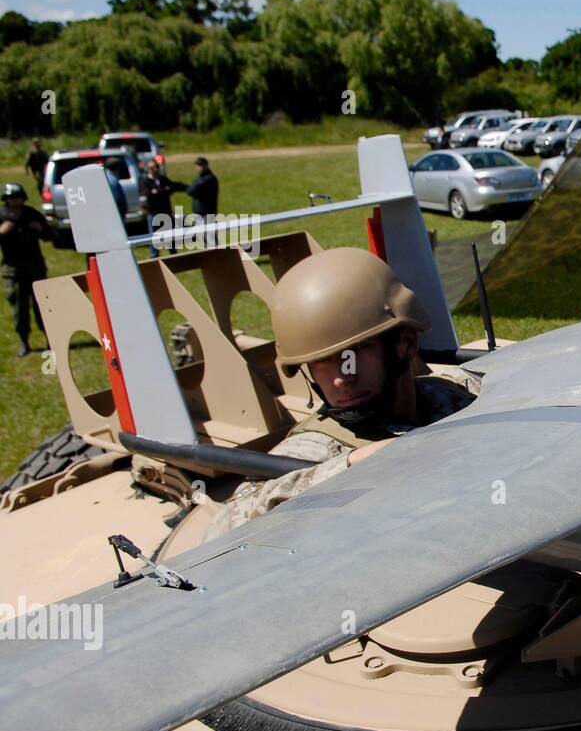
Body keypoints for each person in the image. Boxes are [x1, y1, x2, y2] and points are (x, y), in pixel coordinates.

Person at [204, 247, 478, 539]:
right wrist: (350, 466)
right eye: (321, 363)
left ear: (406, 344)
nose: (340, 379)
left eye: (355, 353)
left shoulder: (452, 391)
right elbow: (222, 530)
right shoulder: (317, 448)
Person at [0, 182, 55, 357]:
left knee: (42, 306)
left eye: (17, 198)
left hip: (34, 267)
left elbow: (50, 235)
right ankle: (24, 342)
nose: (14, 202)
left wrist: (40, 229)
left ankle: (50, 339)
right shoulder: (1, 216)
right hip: (13, 269)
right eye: (10, 199)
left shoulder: (32, 214)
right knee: (19, 308)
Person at [141, 160, 180, 257]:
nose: (155, 169)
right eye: (152, 168)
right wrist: (163, 191)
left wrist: (157, 191)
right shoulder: (145, 181)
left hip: (165, 211)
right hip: (153, 213)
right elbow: (148, 195)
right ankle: (154, 256)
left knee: (170, 236)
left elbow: (171, 188)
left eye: (156, 167)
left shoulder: (163, 179)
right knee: (154, 237)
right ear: (148, 169)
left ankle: (173, 255)